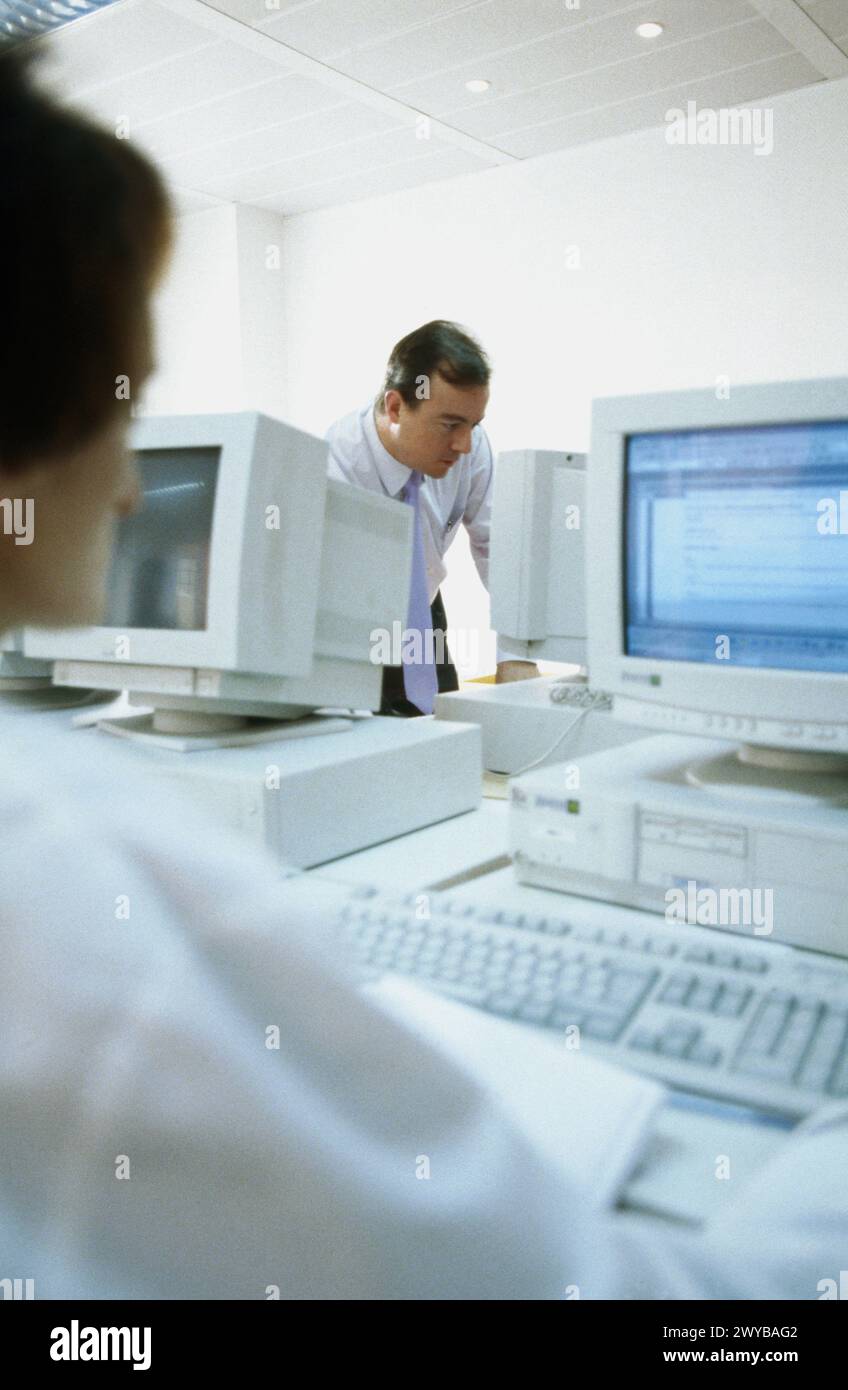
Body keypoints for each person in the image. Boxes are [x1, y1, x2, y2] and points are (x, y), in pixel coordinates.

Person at [1, 47, 847, 1301]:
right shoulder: (71, 865)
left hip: (421, 647)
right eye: (116, 415)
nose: (132, 489)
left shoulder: (471, 452)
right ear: (393, 405)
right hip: (354, 661)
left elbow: (484, 560)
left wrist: (501, 674)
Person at [326, 322, 537, 716]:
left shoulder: (470, 450)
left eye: (473, 425)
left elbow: (499, 548)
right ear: (395, 408)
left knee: (447, 740)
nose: (464, 444)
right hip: (356, 629)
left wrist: (515, 652)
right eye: (450, 425)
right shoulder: (335, 467)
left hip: (424, 608)